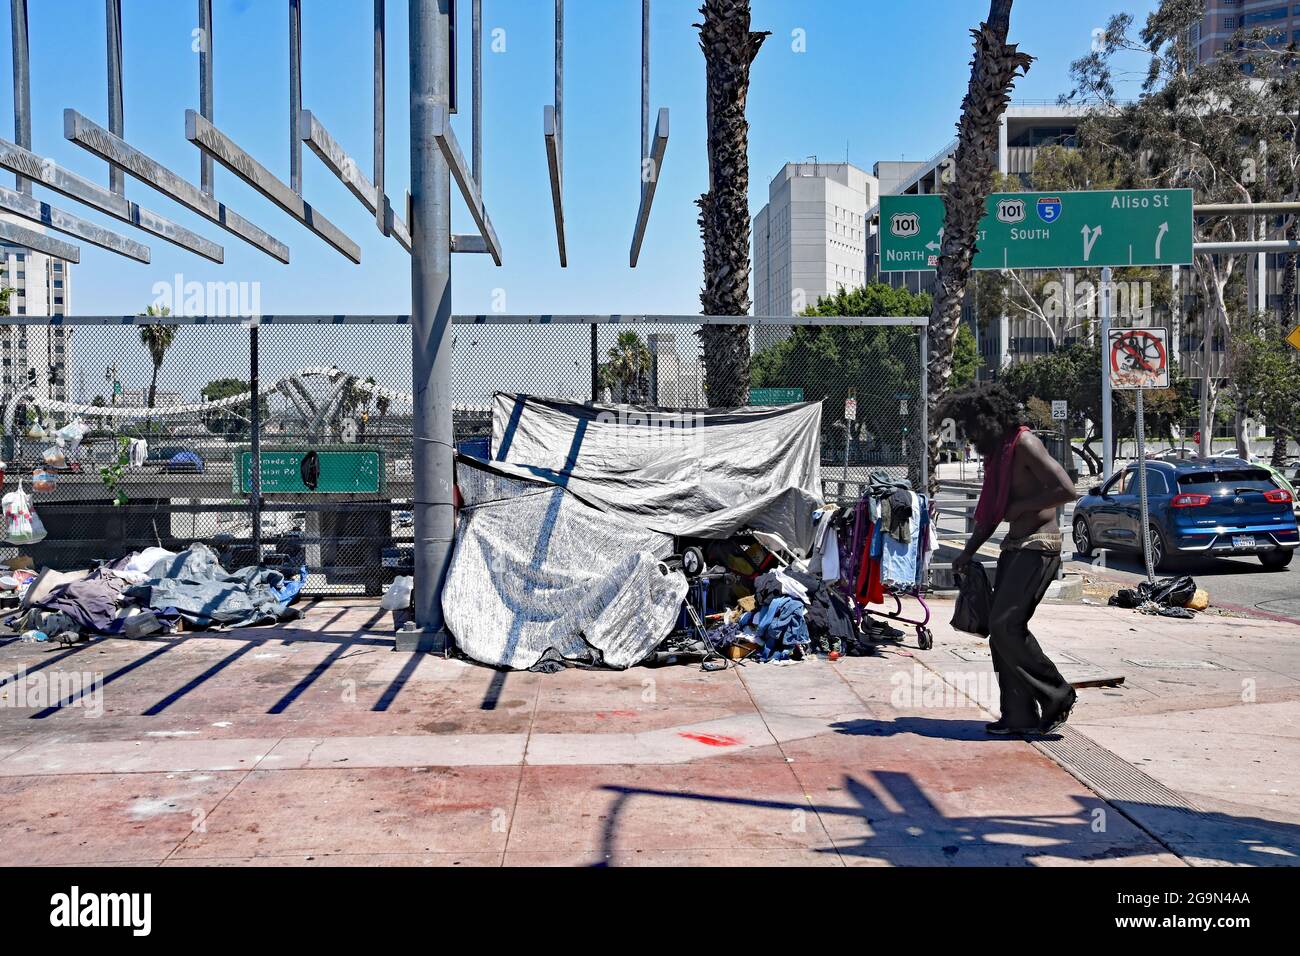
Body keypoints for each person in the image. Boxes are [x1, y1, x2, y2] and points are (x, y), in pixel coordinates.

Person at [942, 383, 1078, 736]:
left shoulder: (1025, 444)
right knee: (999, 634)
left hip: (1040, 544)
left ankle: (1057, 694)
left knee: (1006, 625)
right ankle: (1018, 716)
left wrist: (1021, 507)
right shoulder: (998, 454)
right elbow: (989, 515)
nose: (969, 435)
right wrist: (968, 552)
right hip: (1015, 545)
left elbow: (1066, 489)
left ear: (988, 420)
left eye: (971, 426)